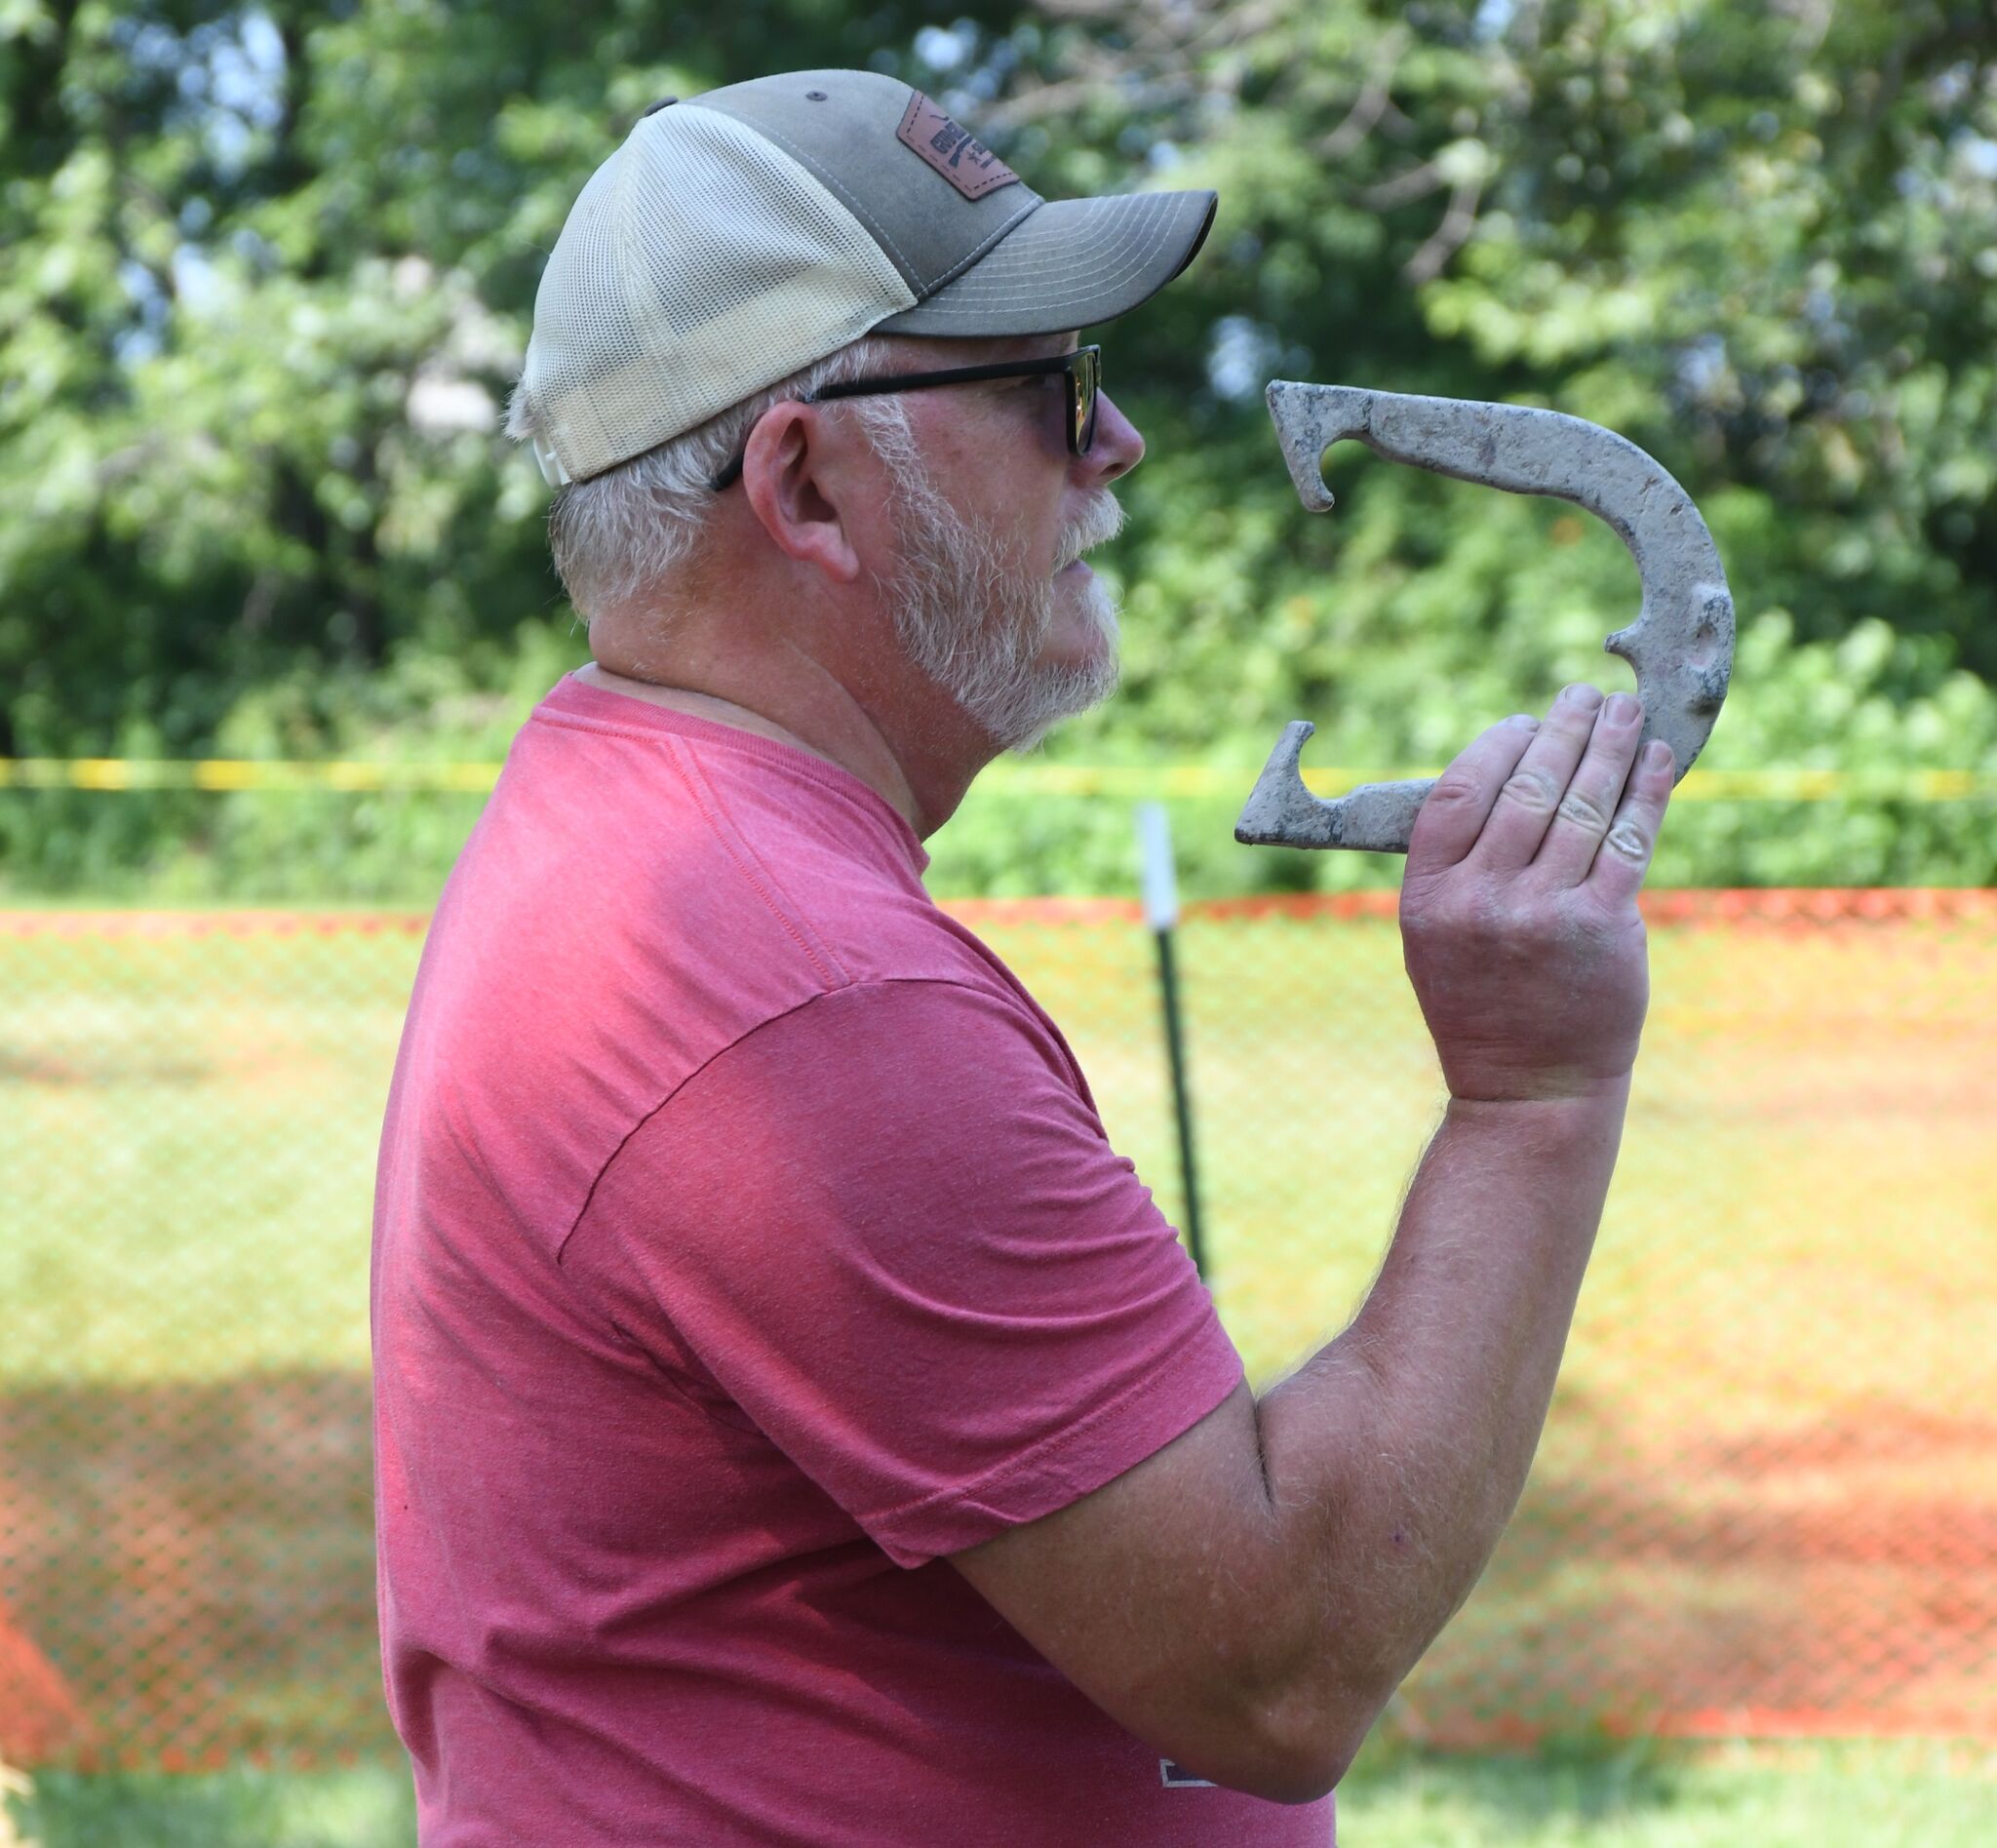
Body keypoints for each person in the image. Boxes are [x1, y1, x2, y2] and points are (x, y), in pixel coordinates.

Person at [371, 66, 1677, 1846]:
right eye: (1051, 386)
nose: (1118, 441)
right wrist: (1536, 1093)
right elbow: (1275, 1664)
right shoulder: (797, 1003)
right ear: (809, 487)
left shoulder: (636, 827)